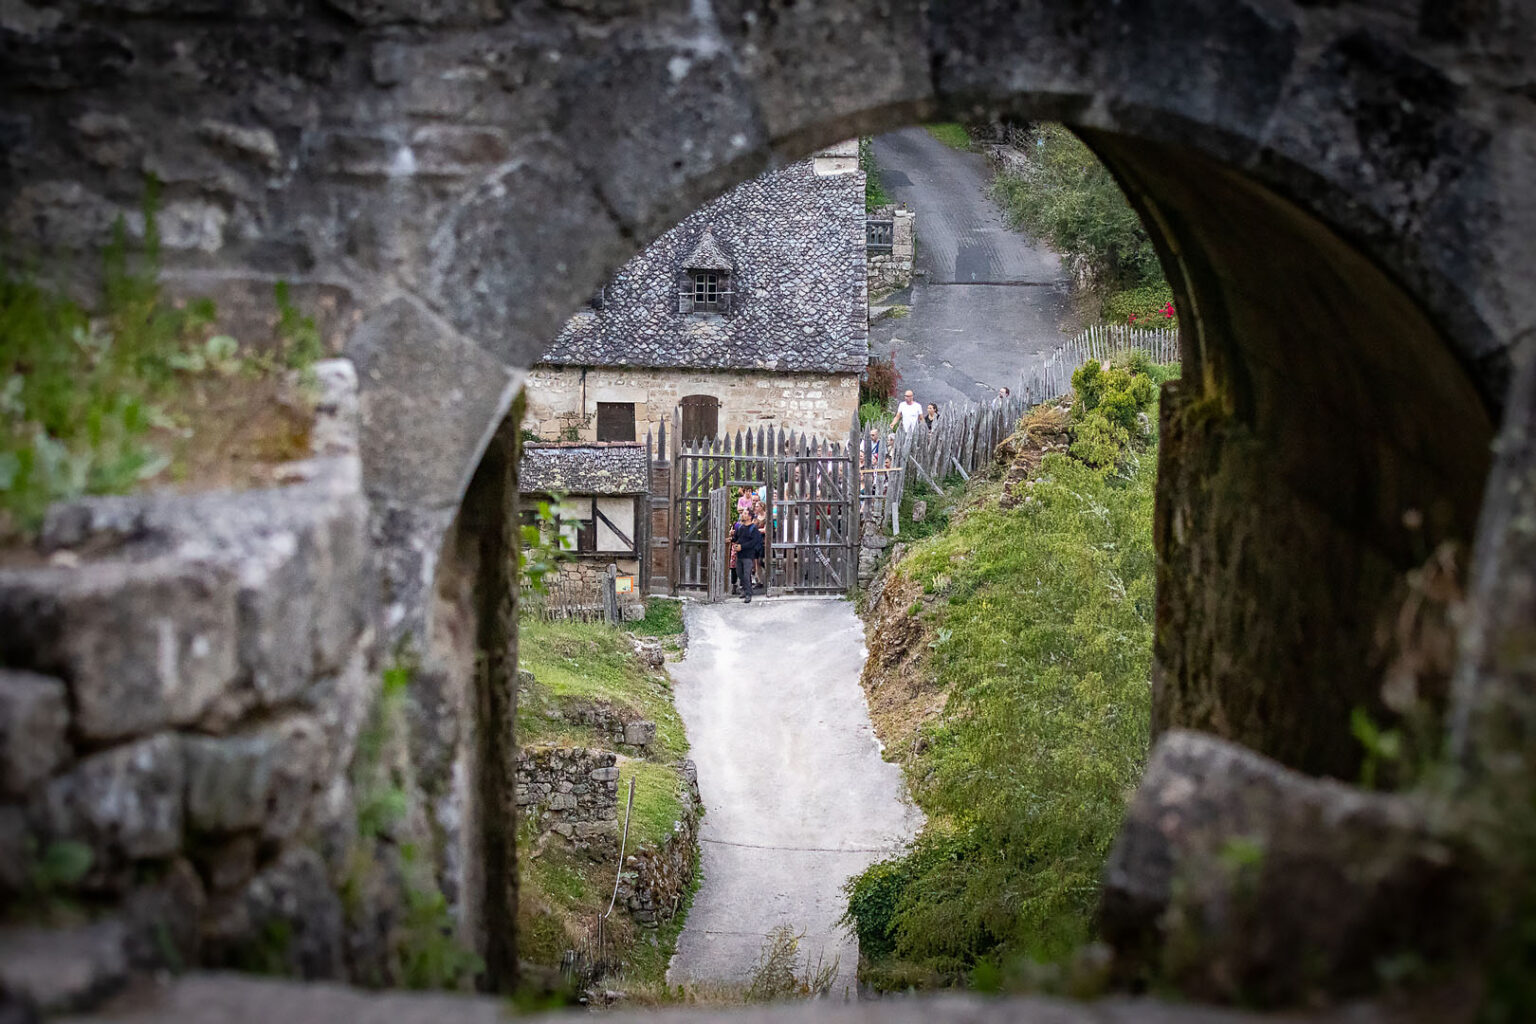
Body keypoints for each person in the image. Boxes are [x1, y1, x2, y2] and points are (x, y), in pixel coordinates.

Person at [732, 509, 764, 603]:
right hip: (740, 555)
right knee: (740, 574)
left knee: (746, 574)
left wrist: (742, 546)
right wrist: (731, 538)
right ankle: (746, 590)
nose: (743, 515)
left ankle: (748, 594)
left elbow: (754, 542)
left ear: (750, 516)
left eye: (745, 513)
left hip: (748, 555)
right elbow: (737, 538)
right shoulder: (740, 527)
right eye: (743, 513)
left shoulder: (753, 528)